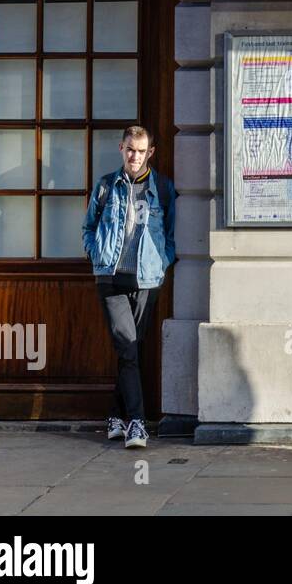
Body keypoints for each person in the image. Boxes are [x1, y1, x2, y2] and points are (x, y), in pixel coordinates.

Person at [81, 125, 177, 449]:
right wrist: (96, 254)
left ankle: (115, 415)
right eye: (129, 150)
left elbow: (171, 235)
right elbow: (89, 227)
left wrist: (162, 262)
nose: (134, 156)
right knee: (127, 344)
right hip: (110, 279)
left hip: (146, 279)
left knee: (130, 350)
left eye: (141, 151)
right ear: (121, 148)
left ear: (150, 152)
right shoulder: (107, 186)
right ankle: (137, 422)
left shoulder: (162, 188)